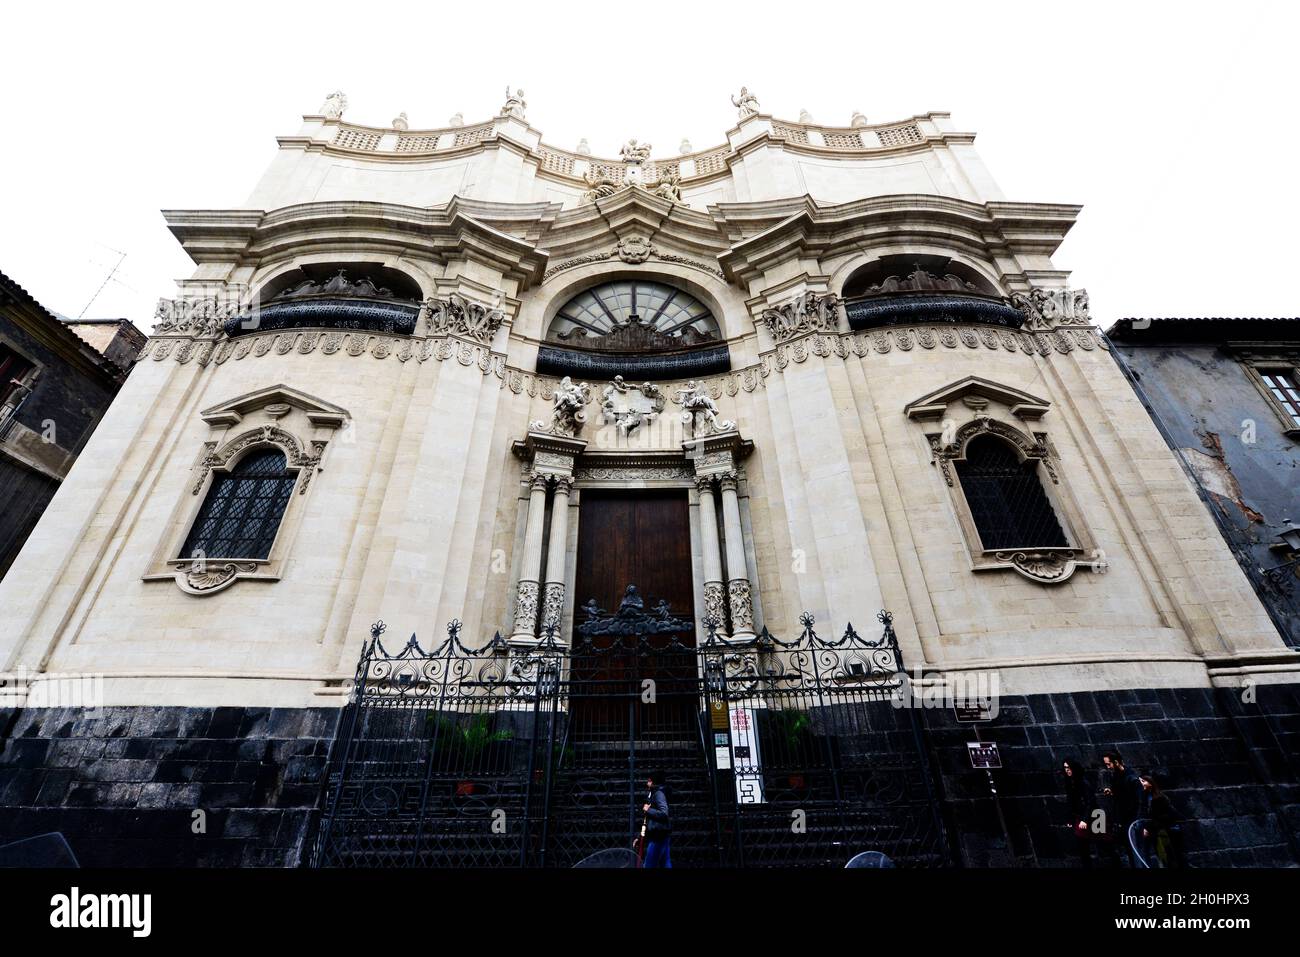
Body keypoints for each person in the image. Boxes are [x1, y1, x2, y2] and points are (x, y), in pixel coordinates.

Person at [1102, 752, 1142, 866]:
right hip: (1122, 819)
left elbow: (1139, 801)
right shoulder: (1116, 776)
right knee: (1128, 850)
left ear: (1116, 762)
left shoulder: (1131, 777)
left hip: (1131, 819)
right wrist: (1112, 792)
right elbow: (1122, 794)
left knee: (1135, 850)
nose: (1108, 767)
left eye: (1109, 764)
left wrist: (1137, 820)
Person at [1139, 772, 1184, 868]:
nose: (1141, 783)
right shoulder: (1148, 797)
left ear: (1150, 783)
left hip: (1170, 830)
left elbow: (1163, 816)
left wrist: (1149, 828)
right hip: (1162, 830)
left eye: (1143, 781)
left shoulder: (1159, 798)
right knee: (1166, 857)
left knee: (1174, 857)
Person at [1061, 759, 1093, 868]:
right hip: (1080, 817)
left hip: (1095, 816)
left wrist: (1085, 819)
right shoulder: (1070, 783)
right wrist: (1070, 819)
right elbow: (1071, 803)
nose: (1067, 770)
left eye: (1069, 768)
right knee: (1082, 846)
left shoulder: (1084, 782)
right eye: (1065, 768)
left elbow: (1090, 802)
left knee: (1105, 843)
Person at [641, 771, 672, 868]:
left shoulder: (658, 794)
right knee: (665, 863)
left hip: (658, 835)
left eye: (649, 781)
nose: (647, 783)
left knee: (649, 864)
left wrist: (648, 810)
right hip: (661, 833)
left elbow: (664, 813)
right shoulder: (654, 793)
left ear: (653, 782)